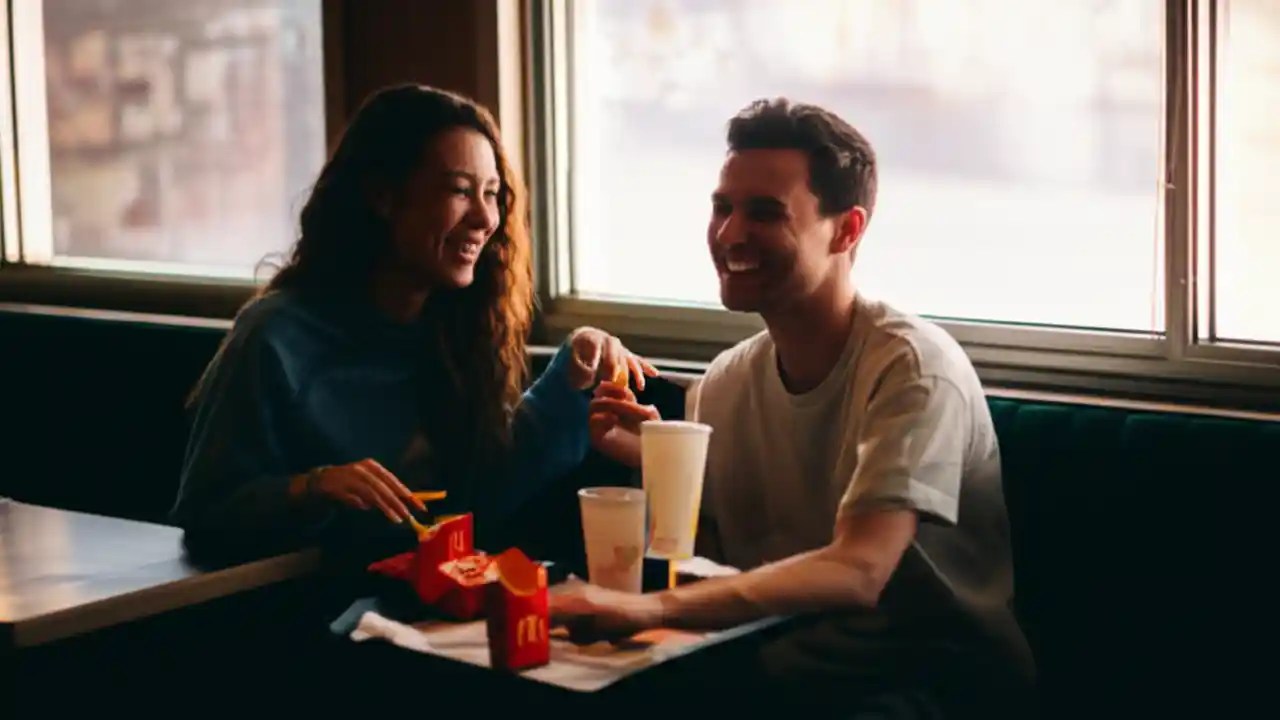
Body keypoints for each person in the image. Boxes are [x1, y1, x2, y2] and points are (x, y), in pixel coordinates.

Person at [551, 98, 1035, 716]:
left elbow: (861, 570)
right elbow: (708, 577)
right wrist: (660, 463)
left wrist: (644, 609)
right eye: (722, 208)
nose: (729, 235)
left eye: (765, 213)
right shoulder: (724, 382)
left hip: (931, 681)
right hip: (785, 672)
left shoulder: (911, 365)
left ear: (847, 229)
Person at [171, 84, 654, 565]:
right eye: (460, 191)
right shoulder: (274, 338)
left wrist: (573, 371)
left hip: (433, 608)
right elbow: (205, 515)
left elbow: (483, 492)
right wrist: (313, 487)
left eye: (492, 194)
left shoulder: (456, 329)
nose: (486, 219)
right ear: (383, 196)